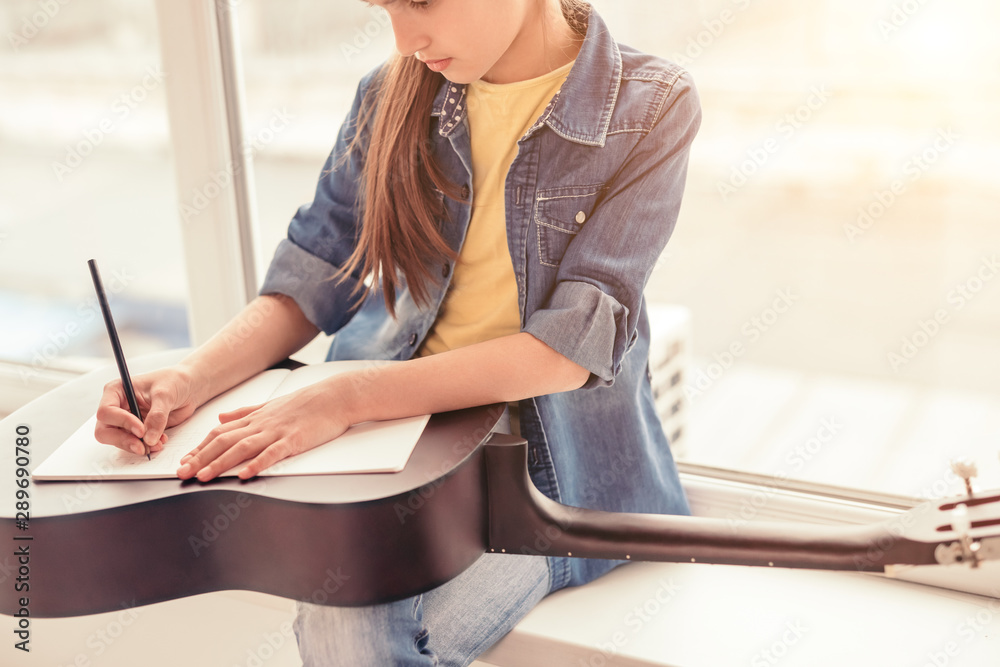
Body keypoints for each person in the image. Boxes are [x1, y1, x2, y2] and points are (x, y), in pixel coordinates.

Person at [94, 0, 701, 664]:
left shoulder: (650, 107)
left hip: (545, 477)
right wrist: (191, 376)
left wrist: (344, 397)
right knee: (344, 624)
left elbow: (567, 351)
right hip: (393, 447)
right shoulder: (390, 96)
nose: (406, 39)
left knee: (349, 633)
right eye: (385, 7)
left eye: (420, 2)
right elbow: (315, 273)